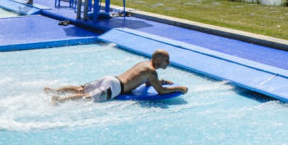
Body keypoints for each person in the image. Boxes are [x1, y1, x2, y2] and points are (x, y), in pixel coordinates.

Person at [44, 49, 188, 103]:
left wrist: (160, 81)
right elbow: (160, 91)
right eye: (166, 61)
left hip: (110, 78)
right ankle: (60, 100)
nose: (168, 63)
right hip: (115, 87)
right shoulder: (152, 71)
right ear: (158, 61)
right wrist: (179, 88)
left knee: (81, 88)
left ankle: (53, 90)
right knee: (88, 97)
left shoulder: (144, 64)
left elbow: (148, 82)